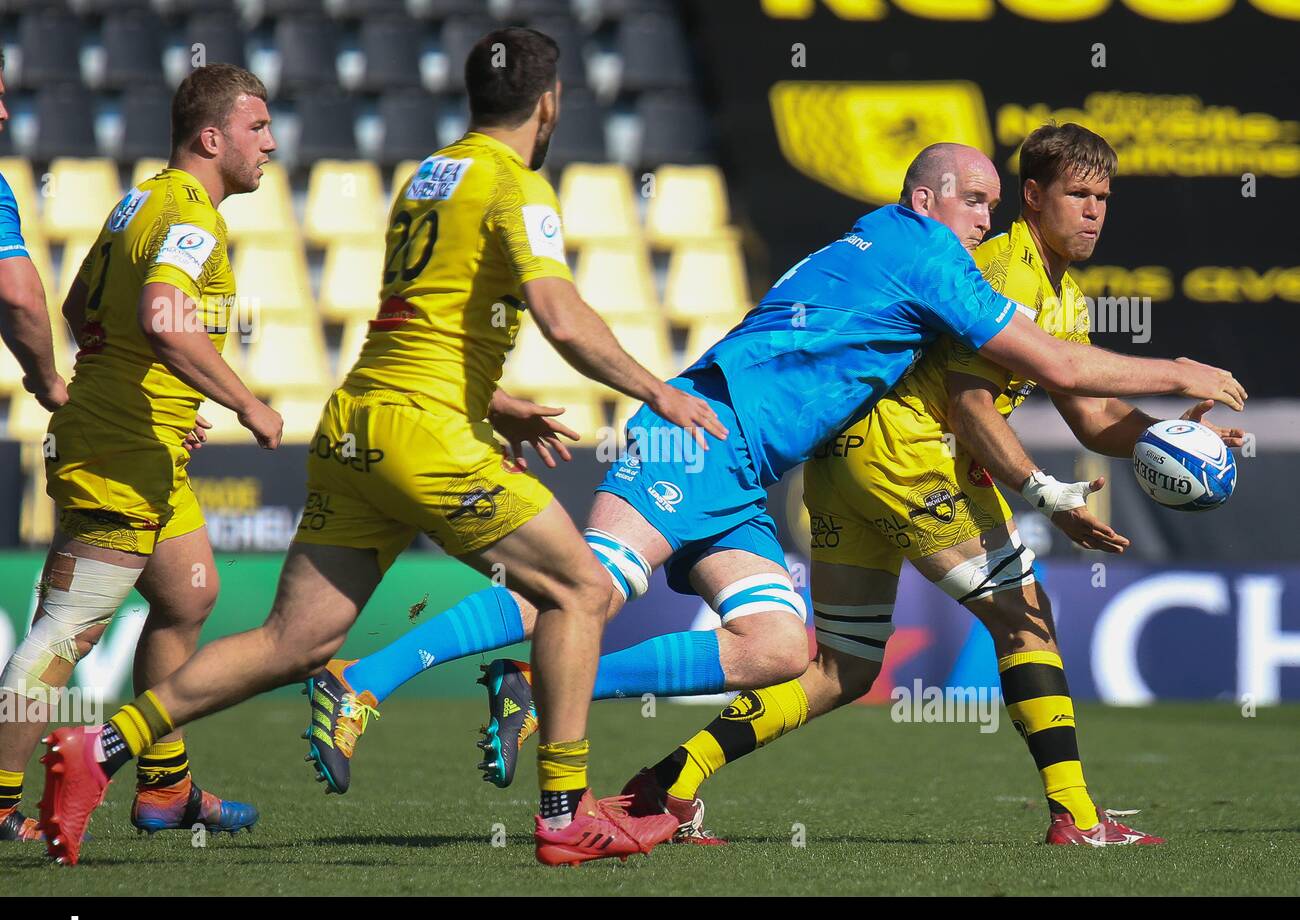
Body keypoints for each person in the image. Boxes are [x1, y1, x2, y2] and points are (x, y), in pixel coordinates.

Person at [291, 140, 1247, 837]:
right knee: (584, 582)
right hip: (708, 431)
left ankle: (543, 690)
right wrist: (1175, 372)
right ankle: (362, 679)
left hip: (756, 469)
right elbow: (1039, 365)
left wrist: (1163, 426)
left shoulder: (896, 245)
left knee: (785, 649)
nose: (984, 219)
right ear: (925, 199)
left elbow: (1068, 388)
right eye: (974, 201)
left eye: (992, 206)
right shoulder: (929, 256)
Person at [38, 27, 721, 867]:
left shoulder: (428, 178)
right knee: (581, 589)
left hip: (357, 420)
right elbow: (561, 314)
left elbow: (418, 322)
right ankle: (563, 814)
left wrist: (493, 399)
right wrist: (658, 390)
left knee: (296, 641)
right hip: (425, 434)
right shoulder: (515, 187)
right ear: (550, 105)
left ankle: (97, 750)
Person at [614, 122, 1247, 846]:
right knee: (1026, 619)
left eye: (1103, 196)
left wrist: (1170, 437)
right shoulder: (1004, 268)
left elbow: (1095, 414)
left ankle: (668, 781)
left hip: (847, 465)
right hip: (907, 457)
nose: (1094, 211)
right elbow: (972, 405)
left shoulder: (1061, 296)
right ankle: (1075, 815)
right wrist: (1047, 484)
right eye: (1077, 194)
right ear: (1032, 198)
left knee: (843, 666)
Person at [1, 63, 281, 842]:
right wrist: (245, 402)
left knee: (189, 596)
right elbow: (162, 314)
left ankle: (165, 784)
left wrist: (158, 393)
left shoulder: (138, 202)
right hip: (122, 450)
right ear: (211, 136)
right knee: (66, 634)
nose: (272, 144)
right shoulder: (191, 217)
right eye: (258, 129)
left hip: (147, 442)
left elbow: (80, 304)